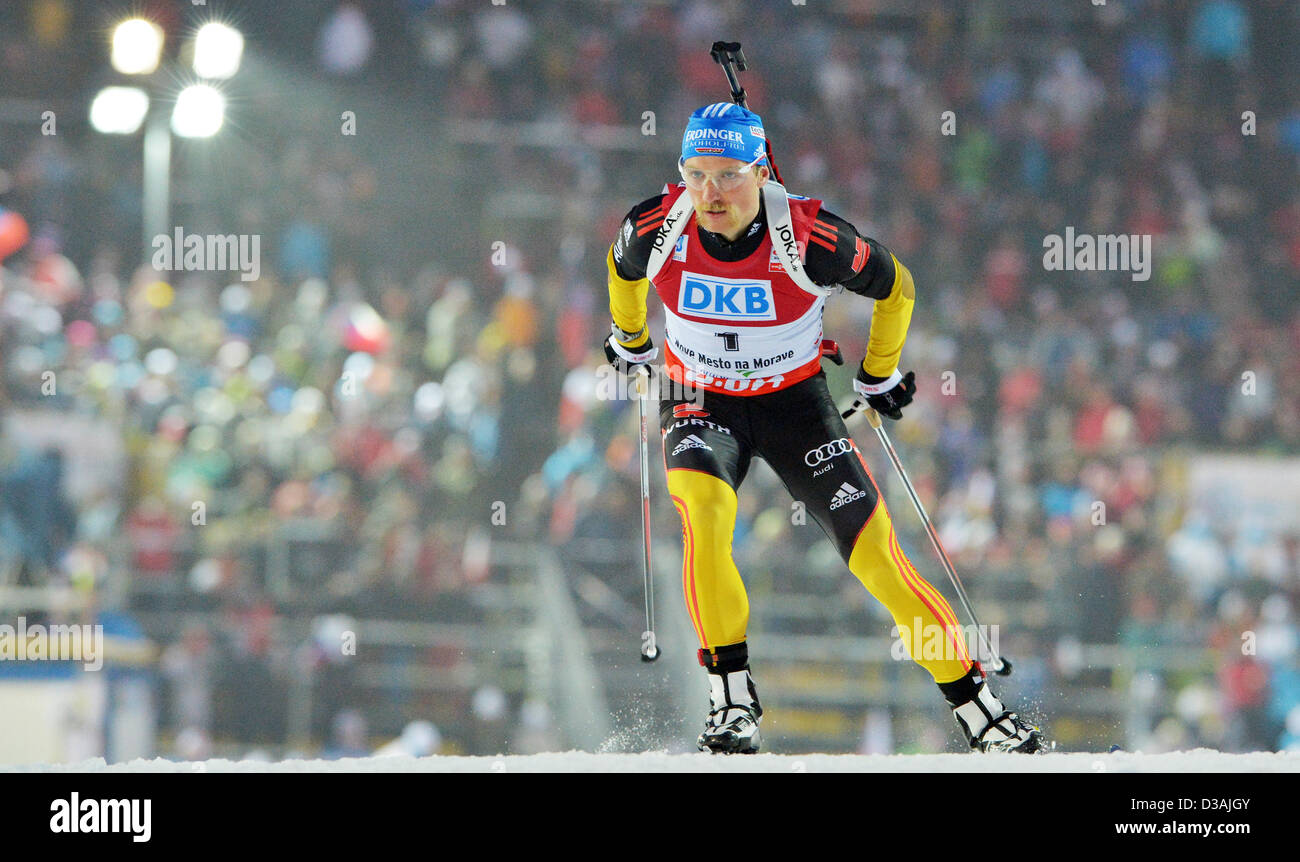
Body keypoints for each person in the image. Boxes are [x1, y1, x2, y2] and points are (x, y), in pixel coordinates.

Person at [602, 102, 1045, 754]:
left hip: (795, 405)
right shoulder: (656, 225)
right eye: (695, 175)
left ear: (760, 171)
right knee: (704, 513)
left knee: (877, 558)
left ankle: (981, 713)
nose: (709, 193)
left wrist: (879, 374)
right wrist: (630, 336)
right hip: (695, 393)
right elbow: (622, 269)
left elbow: (896, 287)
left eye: (727, 175)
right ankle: (730, 698)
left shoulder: (808, 236)